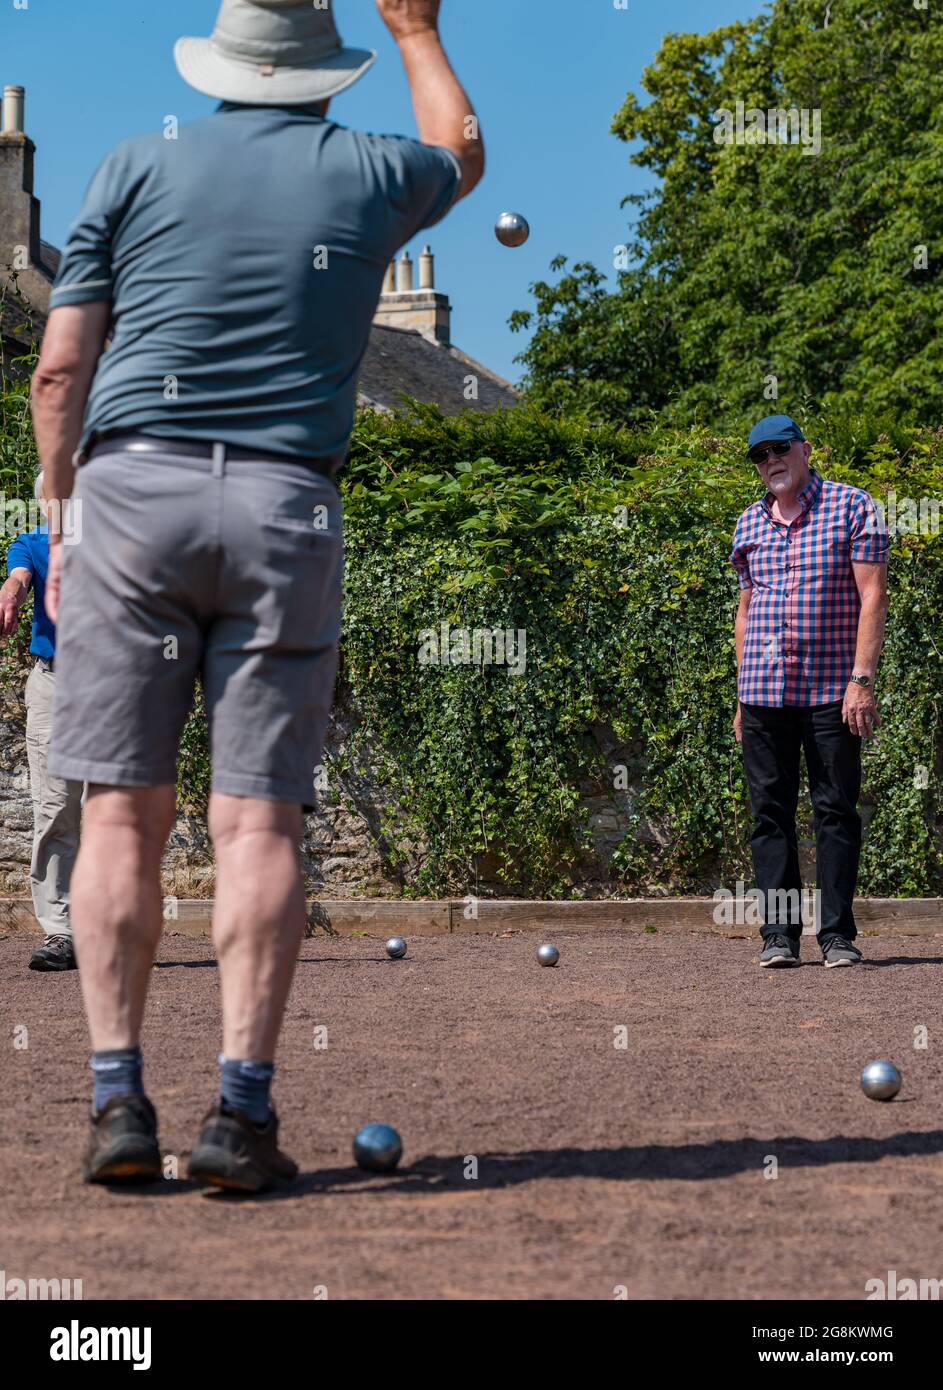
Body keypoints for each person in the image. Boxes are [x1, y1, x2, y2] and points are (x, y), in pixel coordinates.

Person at [29, 0, 483, 1189]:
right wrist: (417, 30)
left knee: (119, 817)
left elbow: (60, 364)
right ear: (324, 74)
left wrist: (61, 509)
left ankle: (120, 1103)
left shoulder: (136, 160)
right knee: (256, 823)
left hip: (133, 495)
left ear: (221, 67)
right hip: (290, 502)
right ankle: (239, 1115)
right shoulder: (372, 169)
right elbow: (465, 149)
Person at [730, 415, 889, 969]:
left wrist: (861, 680)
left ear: (805, 449)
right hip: (762, 694)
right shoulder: (749, 522)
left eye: (779, 448)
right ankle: (778, 936)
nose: (770, 460)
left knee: (835, 810)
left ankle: (838, 936)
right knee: (768, 814)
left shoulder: (852, 506)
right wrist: (739, 694)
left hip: (830, 690)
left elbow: (872, 597)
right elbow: (746, 612)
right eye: (759, 455)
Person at [0, 472, 83, 972]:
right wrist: (9, 590)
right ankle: (61, 932)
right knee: (55, 809)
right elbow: (18, 576)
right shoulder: (31, 544)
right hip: (54, 685)